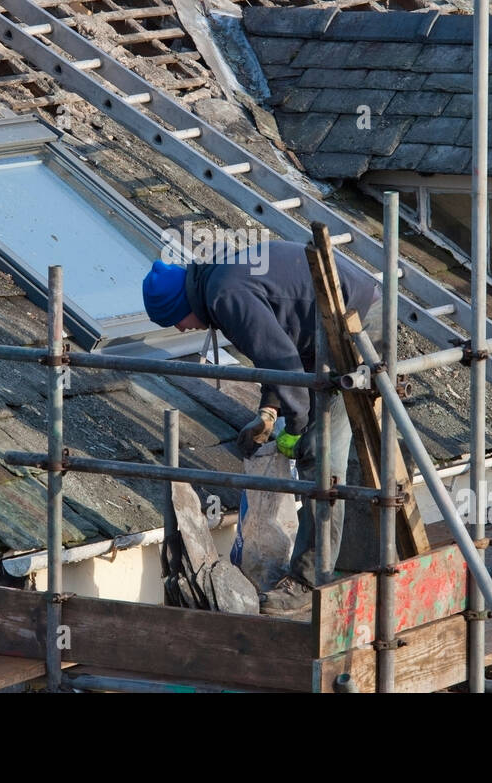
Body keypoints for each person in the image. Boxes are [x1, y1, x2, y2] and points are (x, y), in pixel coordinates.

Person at [142, 241, 379, 615]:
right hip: (335, 318)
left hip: (351, 325)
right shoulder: (220, 279)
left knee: (320, 462)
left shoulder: (224, 294)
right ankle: (331, 563)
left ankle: (309, 581)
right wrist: (270, 412)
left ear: (181, 305)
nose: (181, 328)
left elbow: (283, 361)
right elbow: (283, 339)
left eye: (175, 320)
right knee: (324, 455)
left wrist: (296, 428)